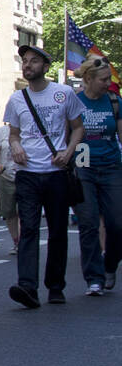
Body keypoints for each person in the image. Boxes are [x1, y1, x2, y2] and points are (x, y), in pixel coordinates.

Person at [4, 45, 84, 309]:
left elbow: (78, 128)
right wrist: (15, 146)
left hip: (56, 173)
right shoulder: (17, 99)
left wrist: (68, 152)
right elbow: (14, 133)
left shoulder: (64, 93)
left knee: (58, 230)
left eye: (34, 61)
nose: (27, 65)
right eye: (25, 61)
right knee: (28, 228)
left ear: (46, 66)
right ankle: (27, 286)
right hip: (28, 173)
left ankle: (56, 286)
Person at [74, 54, 122, 296]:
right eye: (103, 80)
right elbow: (66, 135)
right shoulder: (74, 102)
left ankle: (110, 264)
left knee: (117, 224)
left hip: (112, 167)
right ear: (89, 79)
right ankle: (94, 278)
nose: (108, 84)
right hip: (83, 168)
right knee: (89, 223)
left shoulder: (114, 101)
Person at [0, 121, 20, 251]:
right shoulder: (2, 131)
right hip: (5, 175)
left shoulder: (27, 128)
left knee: (24, 211)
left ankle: (23, 242)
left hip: (24, 175)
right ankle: (16, 242)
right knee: (9, 212)